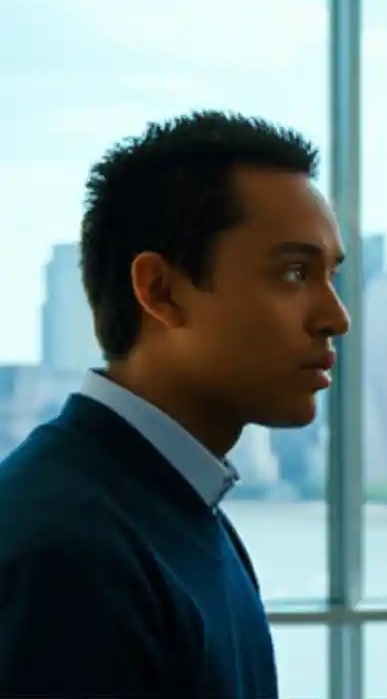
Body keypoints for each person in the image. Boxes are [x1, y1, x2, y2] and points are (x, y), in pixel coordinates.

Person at [0, 111, 349, 697]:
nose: (335, 317)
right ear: (160, 291)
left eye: (330, 275)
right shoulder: (64, 549)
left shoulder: (179, 511)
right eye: (294, 272)